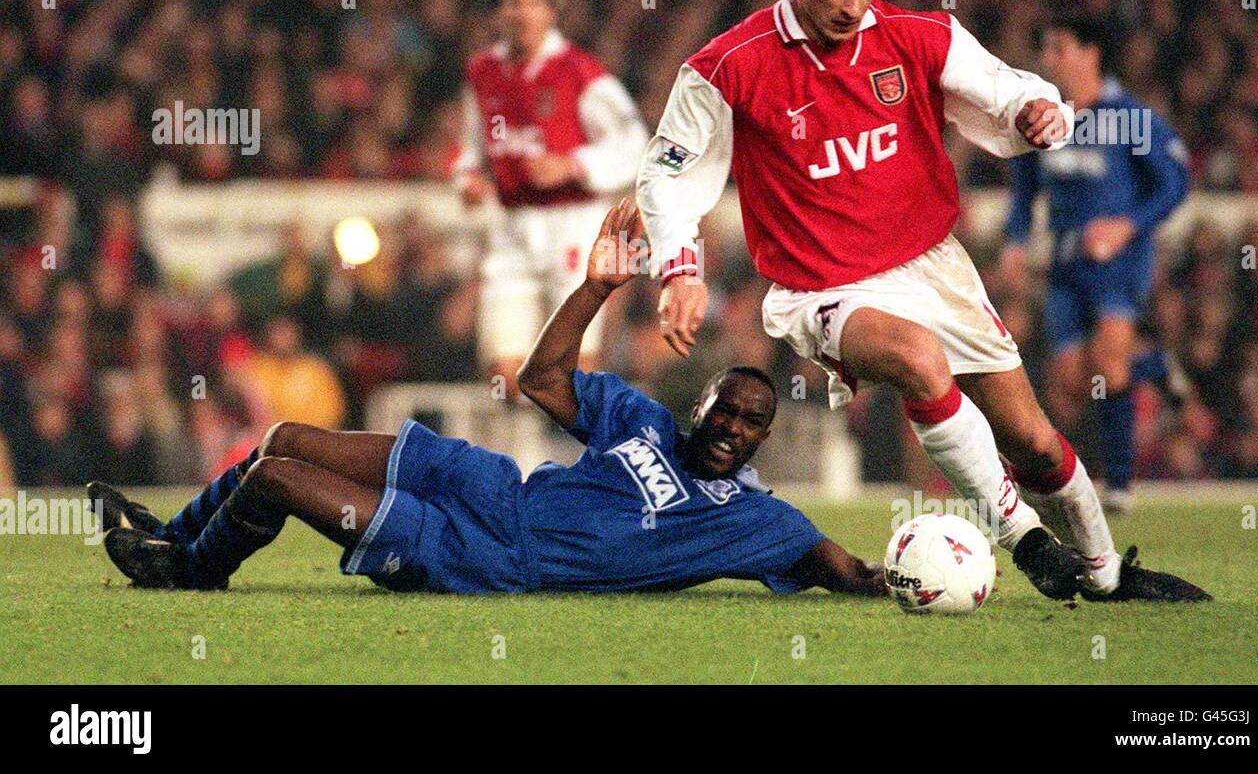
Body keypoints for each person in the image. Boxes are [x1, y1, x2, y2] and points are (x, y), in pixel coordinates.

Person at [636, 0, 1207, 602]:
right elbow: (668, 174)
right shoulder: (729, 63)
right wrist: (680, 269)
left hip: (933, 266)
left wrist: (1039, 113)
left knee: (1031, 438)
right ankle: (1025, 538)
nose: (852, 8)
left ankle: (1107, 571)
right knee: (916, 358)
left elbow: (1010, 91)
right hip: (821, 285)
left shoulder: (918, 36)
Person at [90, 200, 886, 597]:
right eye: (725, 409)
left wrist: (903, 577)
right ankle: (173, 533)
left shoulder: (751, 518)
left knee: (275, 478)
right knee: (286, 437)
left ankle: (191, 572)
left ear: (761, 438)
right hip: (488, 481)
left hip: (491, 556)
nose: (733, 427)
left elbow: (842, 567)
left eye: (750, 422)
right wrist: (596, 288)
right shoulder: (641, 420)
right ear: (700, 407)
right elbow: (541, 381)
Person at [1000, 16, 1190, 514]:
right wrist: (1016, 241)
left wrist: (1127, 225)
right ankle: (1153, 365)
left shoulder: (1127, 116)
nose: (1048, 59)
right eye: (1046, 49)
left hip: (1118, 262)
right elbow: (1024, 190)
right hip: (1064, 265)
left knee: (1108, 363)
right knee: (1071, 381)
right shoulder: (1042, 117)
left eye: (1059, 48)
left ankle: (1120, 486)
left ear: (1091, 53)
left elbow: (1174, 181)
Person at [458, 0, 647, 399]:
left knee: (576, 369)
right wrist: (467, 180)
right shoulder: (482, 71)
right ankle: (531, 438)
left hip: (573, 223)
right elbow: (473, 149)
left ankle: (574, 440)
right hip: (511, 225)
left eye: (533, 3)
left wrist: (573, 165)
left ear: (551, 11)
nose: (522, 13)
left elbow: (635, 141)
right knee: (505, 378)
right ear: (500, 11)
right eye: (514, 3)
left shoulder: (579, 71)